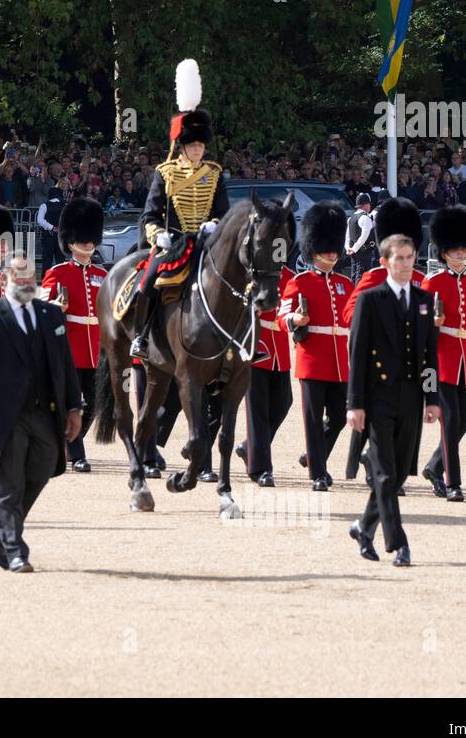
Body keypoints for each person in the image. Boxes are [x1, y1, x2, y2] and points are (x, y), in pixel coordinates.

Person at [0, 251, 82, 573]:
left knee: (41, 472)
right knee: (10, 484)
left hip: (44, 414)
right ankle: (15, 551)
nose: (26, 284)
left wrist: (73, 407)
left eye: (30, 278)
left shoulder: (51, 316)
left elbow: (65, 365)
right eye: (19, 278)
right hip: (3, 418)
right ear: (3, 279)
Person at [345, 233, 440, 567]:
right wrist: (354, 403)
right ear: (385, 262)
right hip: (378, 397)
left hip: (412, 397)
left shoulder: (424, 300)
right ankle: (399, 543)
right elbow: (356, 355)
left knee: (398, 473)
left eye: (410, 257)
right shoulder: (371, 299)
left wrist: (432, 397)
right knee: (384, 474)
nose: (406, 264)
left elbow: (430, 354)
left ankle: (363, 526)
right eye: (398, 258)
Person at [130, 59, 229, 358]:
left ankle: (243, 338)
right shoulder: (165, 172)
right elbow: (150, 213)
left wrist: (215, 224)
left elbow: (222, 212)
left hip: (206, 242)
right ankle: (141, 336)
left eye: (201, 145)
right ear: (183, 146)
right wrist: (158, 235)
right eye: (192, 145)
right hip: (173, 243)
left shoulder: (214, 173)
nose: (198, 150)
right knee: (149, 280)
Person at [277, 202, 351, 491]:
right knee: (312, 418)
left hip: (339, 360)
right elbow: (283, 315)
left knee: (339, 417)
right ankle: (318, 472)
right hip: (312, 358)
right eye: (327, 248)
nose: (332, 253)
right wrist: (296, 318)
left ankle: (313, 456)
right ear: (314, 248)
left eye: (335, 248)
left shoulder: (345, 283)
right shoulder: (300, 281)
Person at [420, 205, 466, 502]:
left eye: (463, 251)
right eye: (454, 252)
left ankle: (434, 466)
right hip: (441, 360)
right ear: (444, 253)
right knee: (451, 419)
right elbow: (418, 321)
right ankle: (452, 481)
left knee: (465, 419)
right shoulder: (432, 283)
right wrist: (431, 324)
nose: (460, 256)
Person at [41, 197, 106, 473]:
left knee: (94, 402)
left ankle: (67, 440)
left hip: (96, 346)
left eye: (91, 237)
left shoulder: (103, 274)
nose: (88, 243)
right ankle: (76, 453)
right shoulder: (58, 272)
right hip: (70, 345)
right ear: (70, 242)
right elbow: (43, 307)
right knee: (73, 401)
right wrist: (56, 307)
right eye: (82, 238)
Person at [235, 264, 294, 487]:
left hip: (279, 348)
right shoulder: (248, 274)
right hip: (255, 344)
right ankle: (260, 468)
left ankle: (249, 447)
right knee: (258, 410)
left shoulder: (289, 276)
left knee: (283, 403)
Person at [344, 193, 376, 282]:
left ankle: (352, 293)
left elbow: (347, 235)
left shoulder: (351, 218)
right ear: (365, 205)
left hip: (353, 251)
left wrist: (348, 248)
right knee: (362, 275)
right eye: (369, 204)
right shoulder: (365, 218)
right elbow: (364, 236)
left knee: (354, 274)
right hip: (364, 251)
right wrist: (354, 248)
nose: (370, 206)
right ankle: (358, 295)